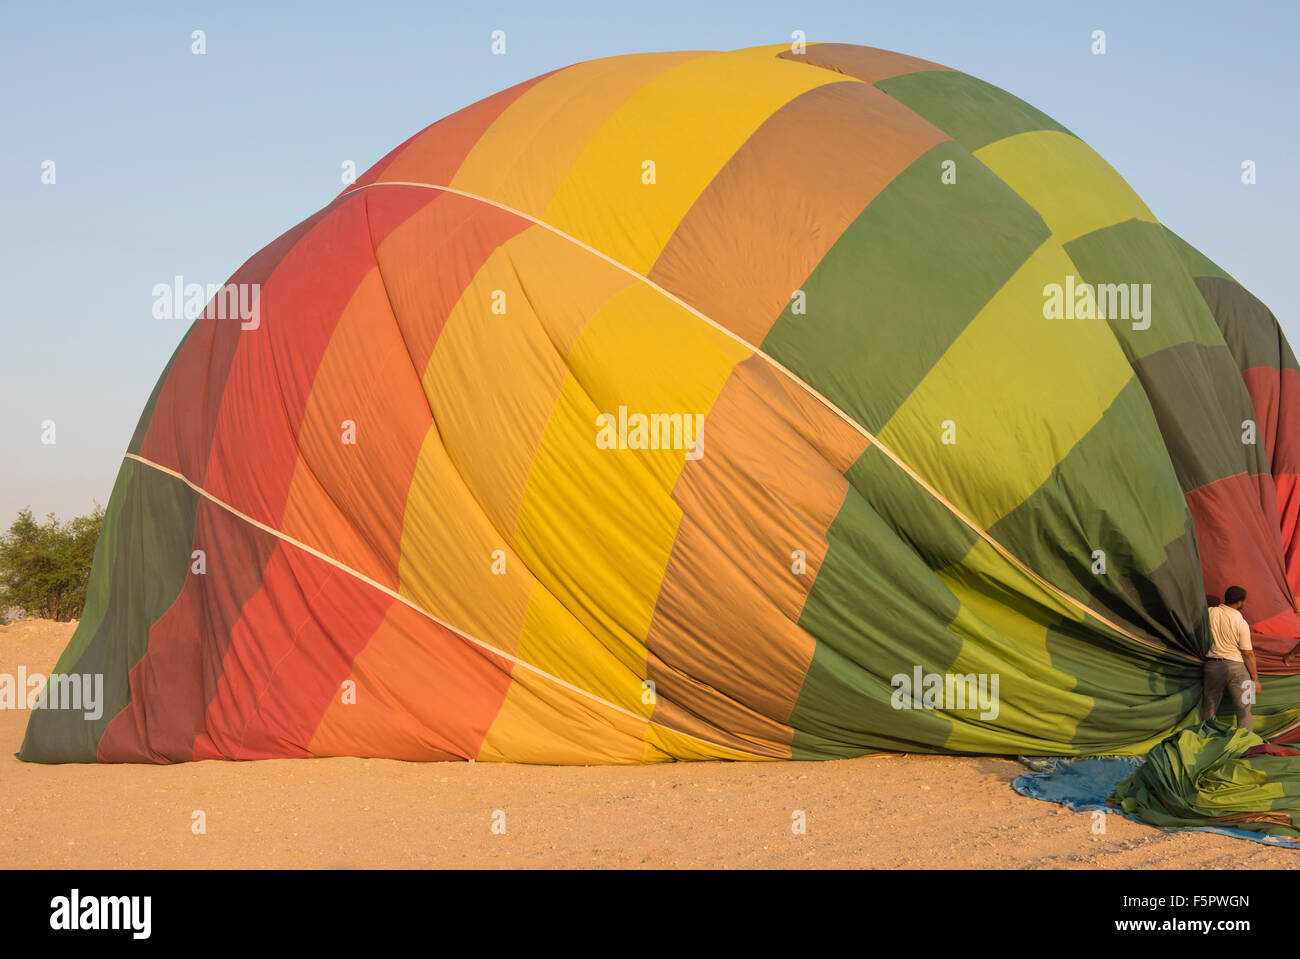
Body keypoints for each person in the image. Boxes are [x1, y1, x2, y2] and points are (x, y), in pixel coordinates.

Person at [1203, 586, 1260, 730]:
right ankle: (1247, 742)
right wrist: (1255, 680)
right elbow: (1248, 653)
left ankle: (1203, 739)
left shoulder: (1209, 612)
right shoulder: (1241, 623)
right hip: (1238, 668)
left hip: (1212, 666)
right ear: (1240, 602)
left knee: (1209, 708)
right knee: (1246, 708)